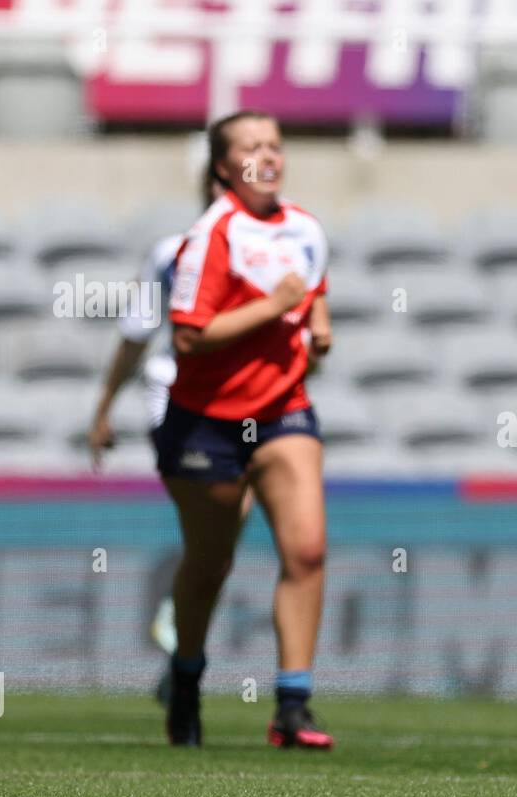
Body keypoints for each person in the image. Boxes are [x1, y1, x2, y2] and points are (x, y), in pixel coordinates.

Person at [157, 108, 333, 749]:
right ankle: (185, 677)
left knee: (307, 552)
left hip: (284, 410)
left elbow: (312, 293)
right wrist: (274, 308)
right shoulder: (212, 234)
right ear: (225, 166)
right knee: (210, 562)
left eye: (276, 144)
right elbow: (188, 337)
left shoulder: (307, 227)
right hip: (207, 423)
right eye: (252, 146)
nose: (268, 155)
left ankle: (292, 705)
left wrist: (316, 327)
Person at [87, 183, 255, 689]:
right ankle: (181, 635)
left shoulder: (272, 258)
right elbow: (137, 335)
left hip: (240, 402)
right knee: (217, 515)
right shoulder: (171, 254)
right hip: (175, 396)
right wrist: (103, 409)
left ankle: (180, 645)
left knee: (223, 533)